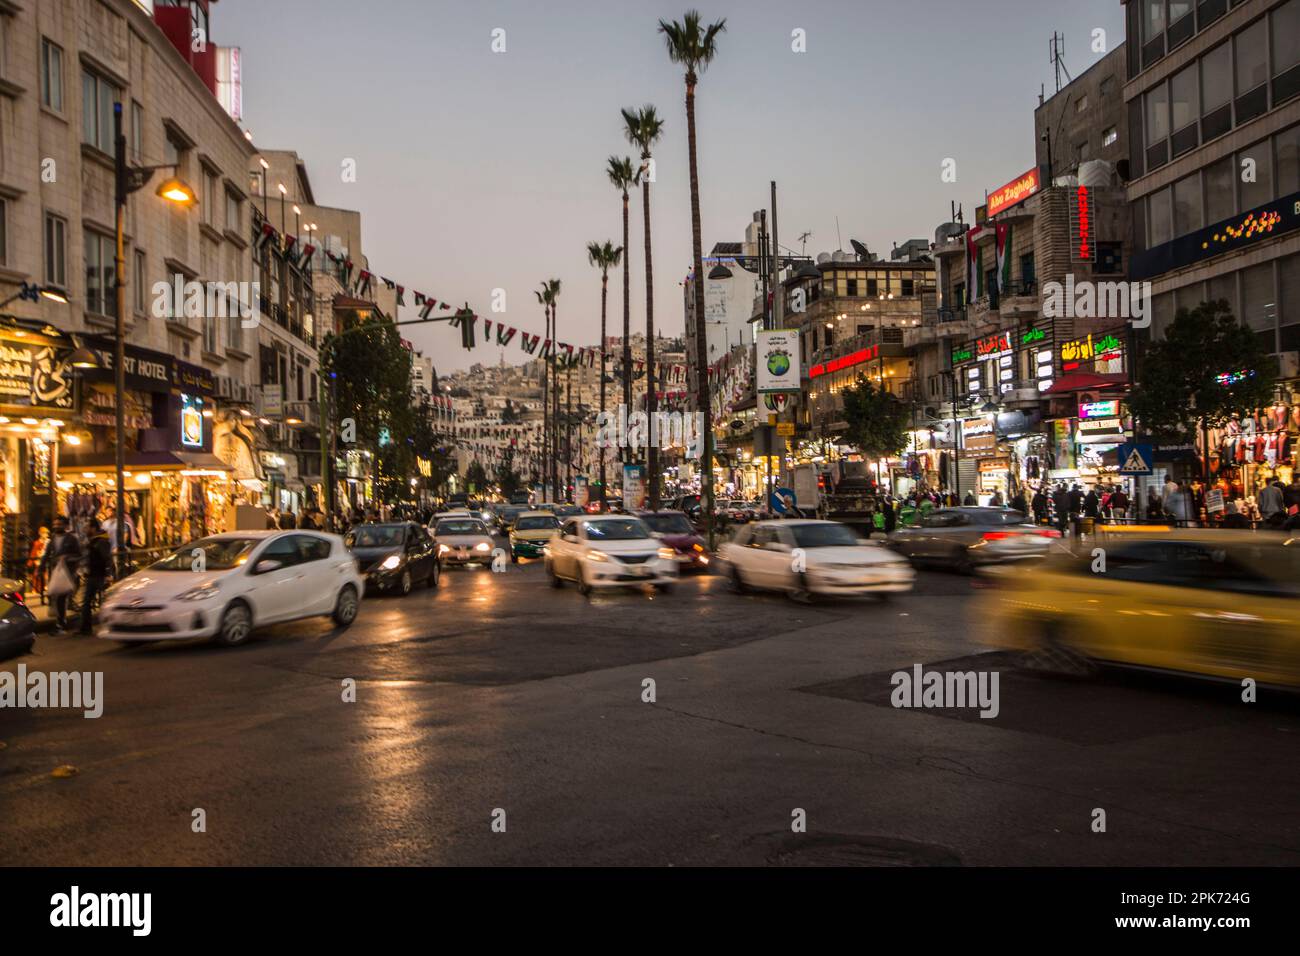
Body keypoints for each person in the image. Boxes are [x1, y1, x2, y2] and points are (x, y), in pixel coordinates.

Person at [40, 517, 82, 631]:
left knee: (63, 596)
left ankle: (63, 620)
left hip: (69, 571)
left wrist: (67, 558)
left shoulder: (72, 539)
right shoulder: (52, 539)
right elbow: (46, 554)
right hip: (56, 571)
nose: (56, 526)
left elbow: (79, 555)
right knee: (58, 596)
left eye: (59, 524)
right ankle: (62, 620)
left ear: (65, 526)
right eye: (55, 524)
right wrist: (41, 566)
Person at [78, 517, 113, 635]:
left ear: (93, 528)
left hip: (100, 575)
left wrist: (108, 574)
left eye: (87, 527)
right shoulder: (93, 540)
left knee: (104, 601)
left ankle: (110, 626)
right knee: (87, 602)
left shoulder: (101, 541)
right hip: (92, 574)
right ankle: (86, 627)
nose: (85, 529)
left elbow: (107, 559)